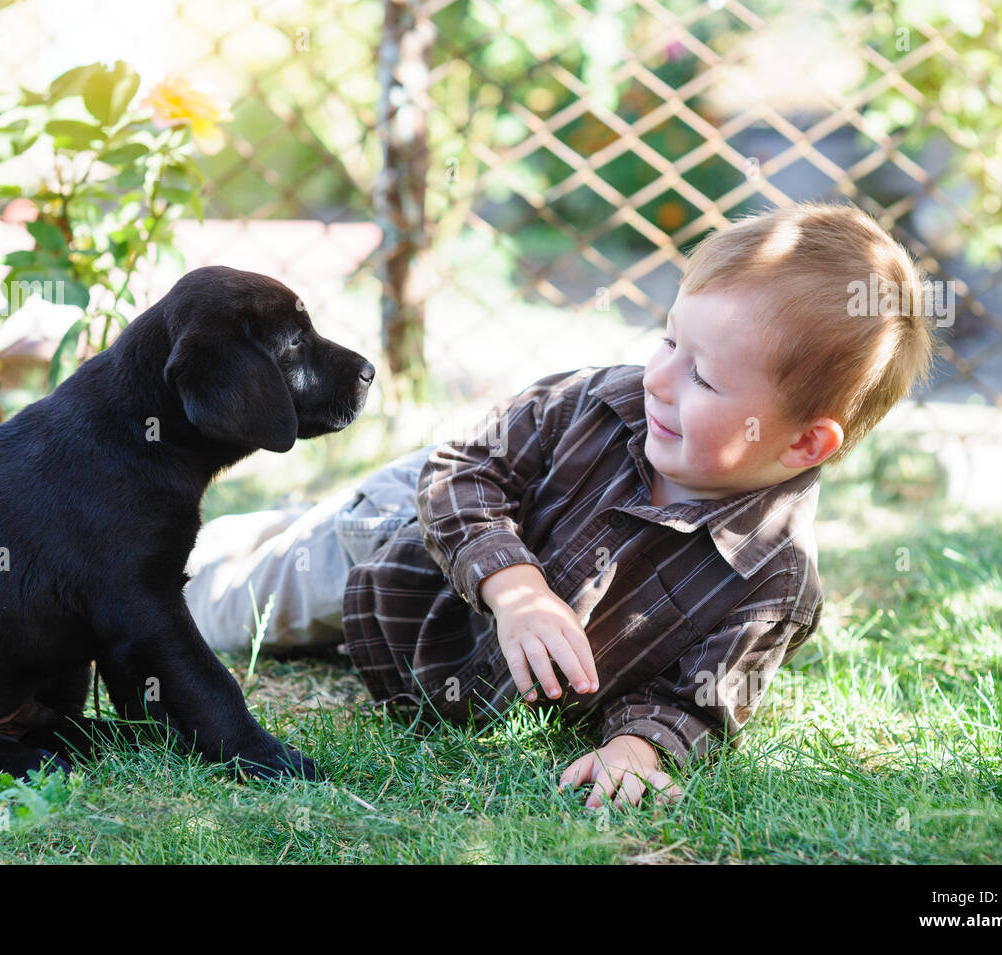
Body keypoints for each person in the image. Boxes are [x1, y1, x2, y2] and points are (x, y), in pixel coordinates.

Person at [184, 200, 939, 809]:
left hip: (444, 644)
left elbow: (697, 697)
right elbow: (465, 470)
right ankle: (236, 538)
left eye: (705, 379)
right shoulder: (597, 402)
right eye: (668, 340)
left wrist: (633, 748)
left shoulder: (772, 586)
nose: (661, 379)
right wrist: (516, 588)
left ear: (806, 444)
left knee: (302, 594)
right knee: (228, 603)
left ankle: (288, 519)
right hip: (407, 538)